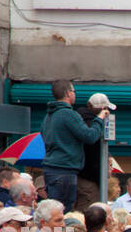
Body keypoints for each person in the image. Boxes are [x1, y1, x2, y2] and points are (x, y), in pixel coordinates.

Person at [41, 80, 108, 210]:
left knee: (53, 212)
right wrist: (99, 119)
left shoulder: (48, 116)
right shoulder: (69, 114)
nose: (74, 94)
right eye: (73, 91)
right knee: (63, 214)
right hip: (65, 171)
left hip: (50, 171)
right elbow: (89, 136)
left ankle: (53, 231)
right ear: (67, 93)